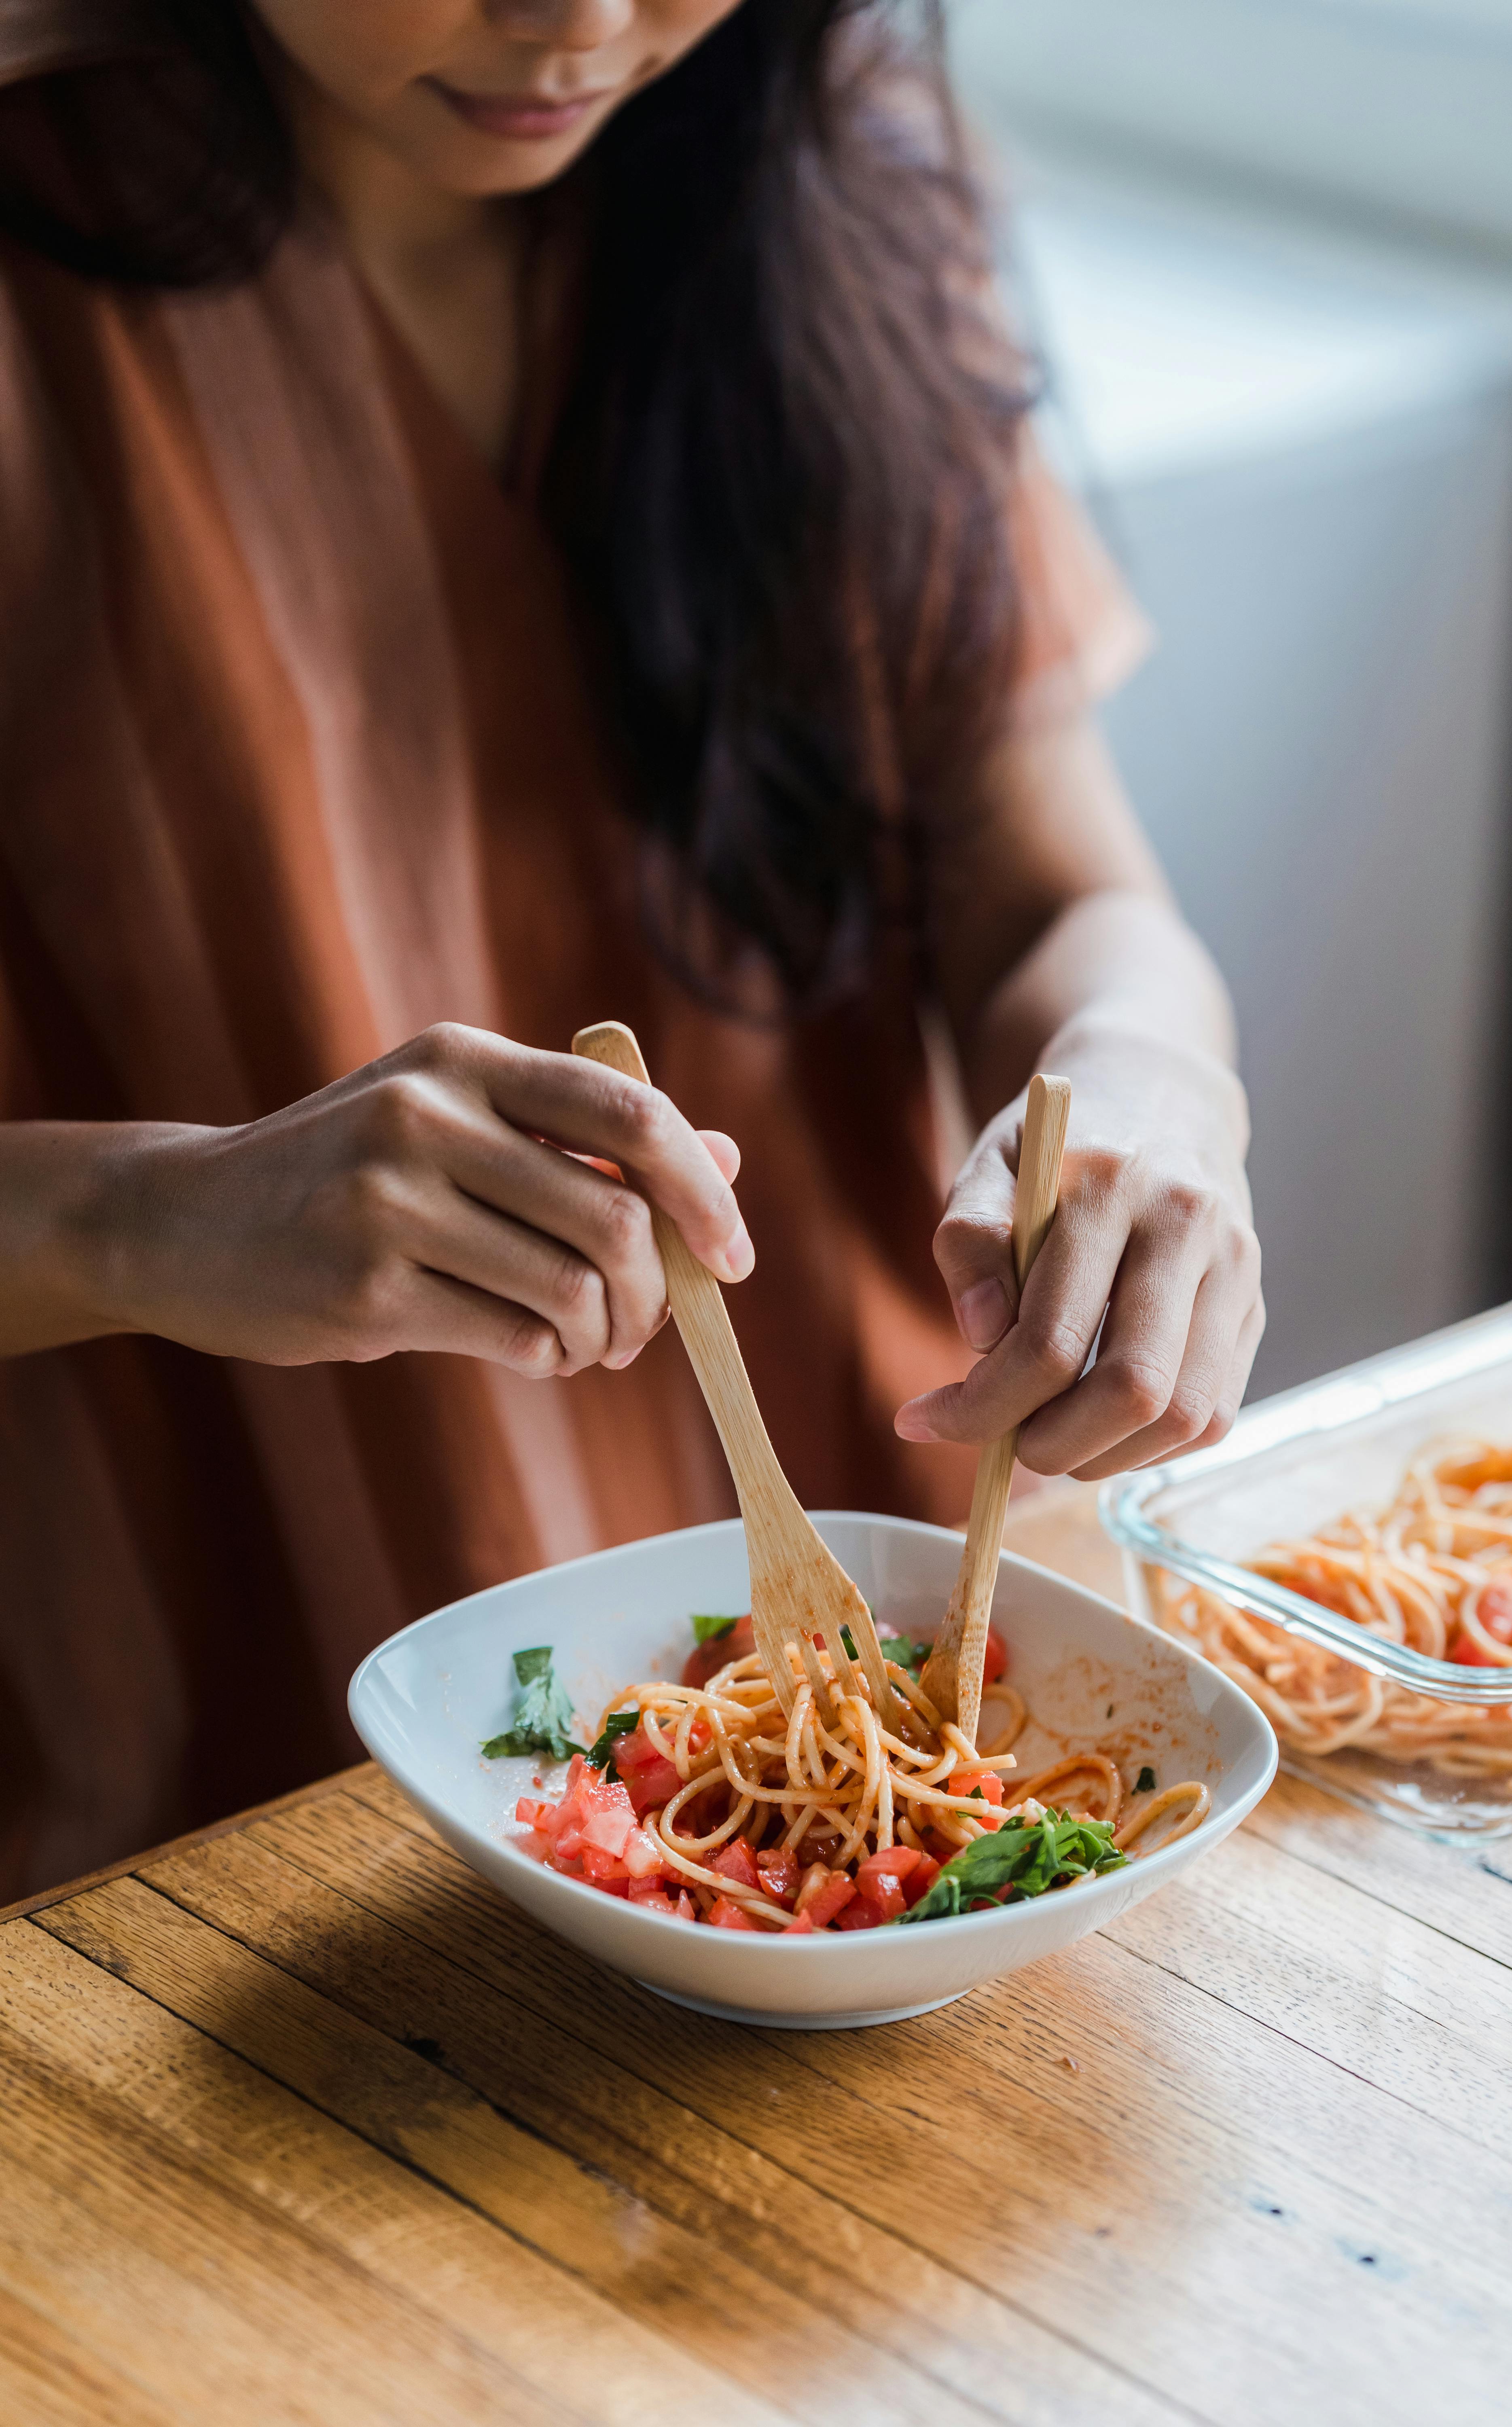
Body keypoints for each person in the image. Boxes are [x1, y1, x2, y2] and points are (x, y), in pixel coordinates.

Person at [0, 0, 1262, 1898]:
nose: (585, 24)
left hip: (915, 1626)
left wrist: (1158, 1093)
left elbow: (1069, 901)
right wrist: (144, 1218)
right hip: (199, 1809)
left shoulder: (830, 167)